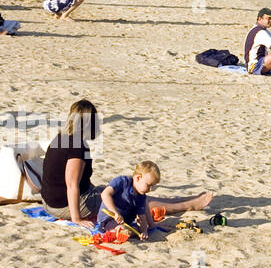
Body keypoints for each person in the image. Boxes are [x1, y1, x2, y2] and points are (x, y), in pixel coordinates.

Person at [96, 160, 213, 236]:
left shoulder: (141, 196)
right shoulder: (122, 181)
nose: (150, 189)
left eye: (152, 186)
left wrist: (145, 231)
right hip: (108, 219)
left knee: (135, 226)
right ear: (138, 178)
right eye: (149, 185)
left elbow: (142, 215)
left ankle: (135, 229)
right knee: (123, 230)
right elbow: (105, 194)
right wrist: (115, 213)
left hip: (125, 221)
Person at [41, 100, 103, 228]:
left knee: (108, 190)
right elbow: (72, 185)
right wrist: (77, 219)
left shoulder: (59, 138)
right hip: (61, 206)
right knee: (118, 195)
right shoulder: (78, 146)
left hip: (48, 202)